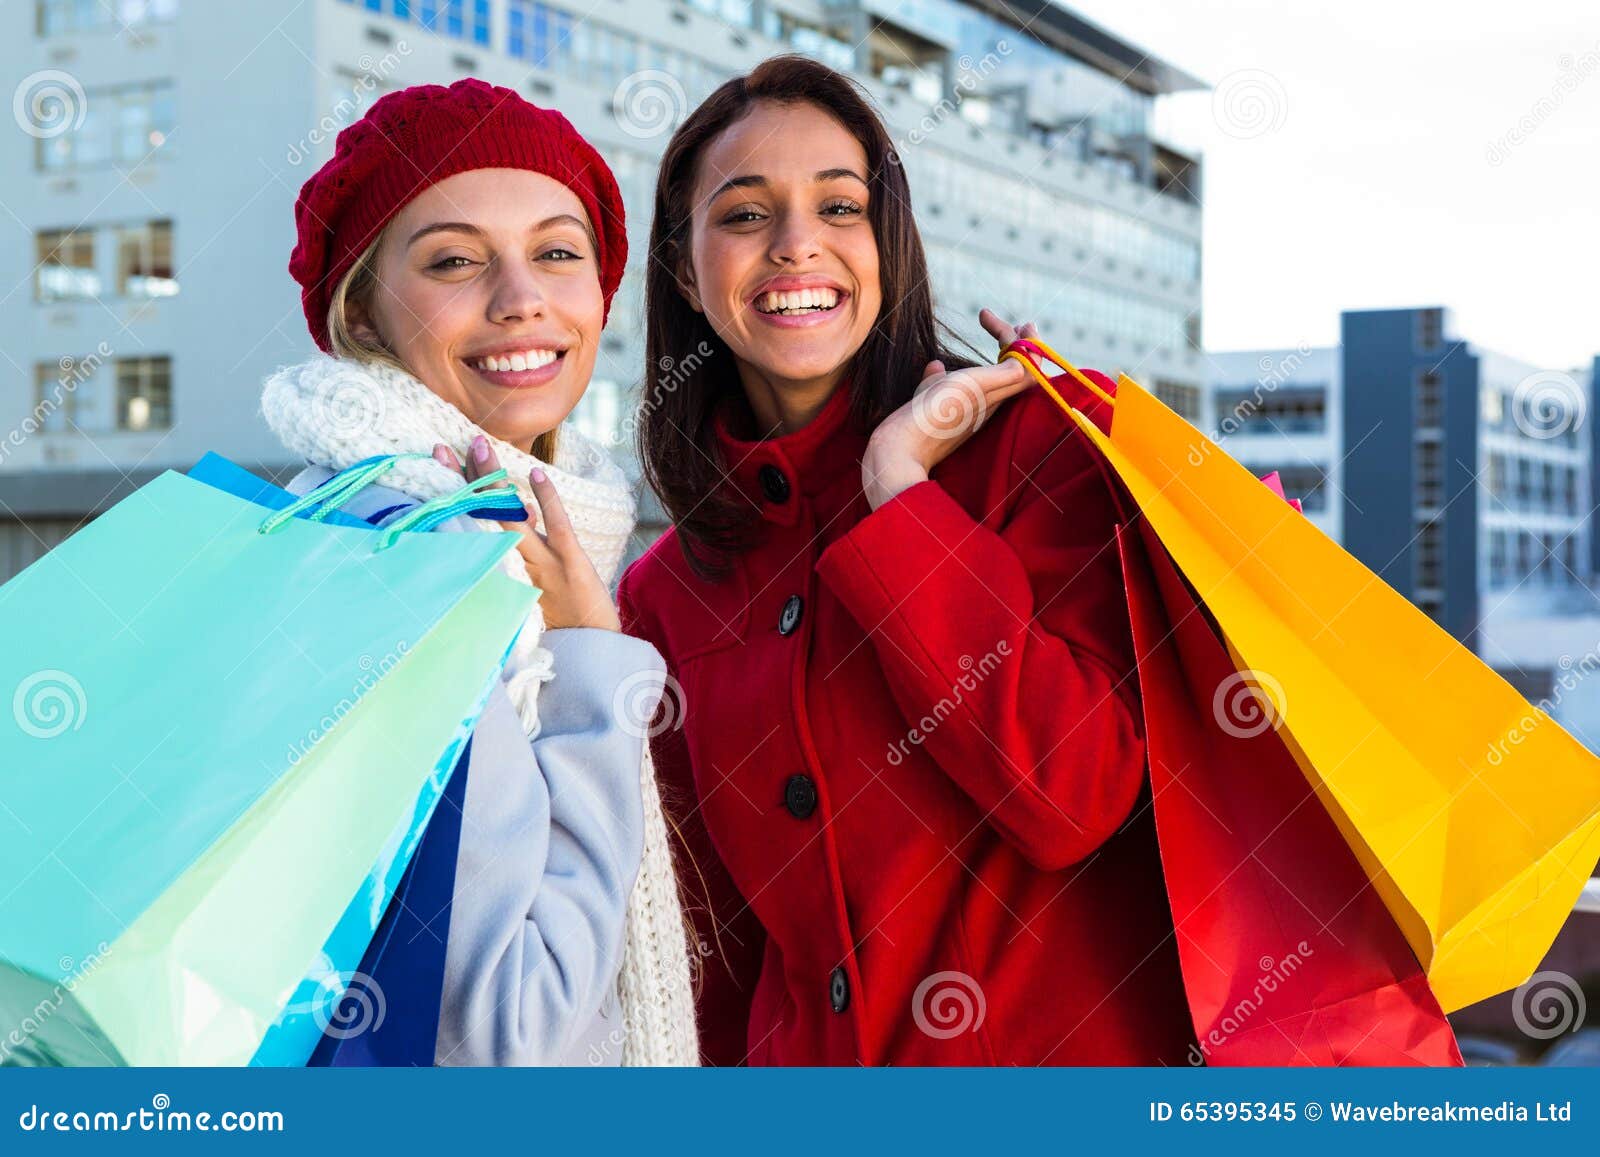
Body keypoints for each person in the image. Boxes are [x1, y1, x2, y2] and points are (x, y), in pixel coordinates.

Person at [618, 55, 1197, 1066]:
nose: (798, 244)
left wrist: (903, 493)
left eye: (839, 207)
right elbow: (705, 947)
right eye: (745, 216)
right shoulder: (663, 589)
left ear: (884, 243)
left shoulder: (1037, 452)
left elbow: (1072, 796)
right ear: (682, 268)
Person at [262, 78, 697, 1066]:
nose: (521, 298)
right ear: (362, 315)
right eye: (455, 261)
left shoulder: (369, 516)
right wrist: (591, 663)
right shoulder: (418, 557)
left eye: (556, 251)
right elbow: (514, 1026)